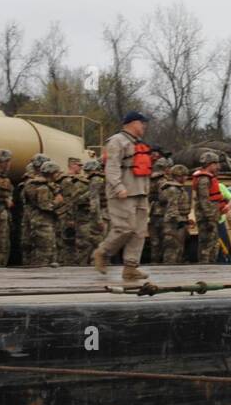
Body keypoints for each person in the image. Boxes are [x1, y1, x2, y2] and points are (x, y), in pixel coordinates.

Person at [93, 111, 154, 280]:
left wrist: (146, 190)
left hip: (140, 192)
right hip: (123, 193)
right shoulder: (117, 141)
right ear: (132, 123)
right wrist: (118, 187)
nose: (144, 126)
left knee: (139, 231)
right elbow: (111, 167)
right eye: (142, 122)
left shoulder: (138, 143)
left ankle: (131, 267)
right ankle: (102, 252)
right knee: (124, 228)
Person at [24, 161, 65, 267]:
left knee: (47, 248)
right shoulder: (43, 188)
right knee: (45, 249)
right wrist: (57, 201)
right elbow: (45, 206)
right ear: (51, 173)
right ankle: (42, 269)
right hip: (43, 222)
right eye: (56, 173)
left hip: (40, 220)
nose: (58, 175)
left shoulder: (39, 185)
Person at [191, 151, 227, 263]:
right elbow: (204, 200)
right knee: (207, 245)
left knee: (213, 244)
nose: (218, 167)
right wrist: (210, 218)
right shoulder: (204, 179)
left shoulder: (208, 178)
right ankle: (205, 267)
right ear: (209, 164)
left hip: (211, 217)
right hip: (207, 218)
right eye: (216, 164)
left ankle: (210, 266)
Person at [58, 156, 93, 265]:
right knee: (69, 242)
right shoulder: (66, 180)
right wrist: (70, 218)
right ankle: (68, 264)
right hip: (69, 215)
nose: (81, 167)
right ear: (72, 165)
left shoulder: (76, 179)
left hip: (77, 215)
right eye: (79, 165)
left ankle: (73, 263)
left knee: (77, 242)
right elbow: (70, 201)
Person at [160, 164, 194, 264]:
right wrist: (180, 221)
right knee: (172, 250)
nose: (186, 178)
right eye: (184, 176)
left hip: (179, 222)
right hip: (173, 225)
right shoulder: (173, 189)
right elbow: (172, 208)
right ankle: (169, 270)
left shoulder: (178, 189)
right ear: (179, 176)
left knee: (179, 251)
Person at [147, 157, 172, 263]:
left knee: (154, 242)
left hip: (153, 213)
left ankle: (154, 262)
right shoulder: (163, 180)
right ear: (165, 168)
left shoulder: (151, 179)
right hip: (162, 213)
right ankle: (162, 264)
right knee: (164, 241)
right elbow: (163, 197)